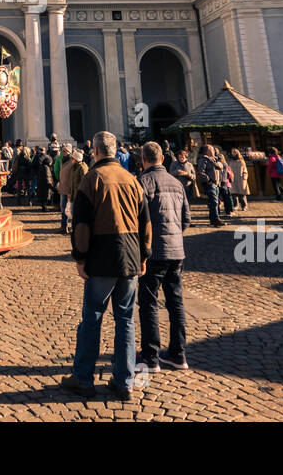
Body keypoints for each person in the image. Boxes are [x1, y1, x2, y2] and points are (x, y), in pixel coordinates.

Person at [61, 131, 151, 402]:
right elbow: (146, 223)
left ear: (96, 152)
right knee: (125, 320)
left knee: (92, 318)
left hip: (101, 257)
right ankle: (124, 382)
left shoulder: (92, 179)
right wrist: (145, 255)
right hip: (131, 258)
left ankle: (83, 378)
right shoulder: (132, 180)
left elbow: (81, 226)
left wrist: (80, 257)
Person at [136, 142, 191, 373]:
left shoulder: (142, 183)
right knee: (176, 303)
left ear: (143, 159)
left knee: (148, 303)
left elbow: (136, 220)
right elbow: (186, 219)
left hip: (153, 253)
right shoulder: (177, 183)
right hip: (177, 252)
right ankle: (178, 355)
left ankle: (151, 358)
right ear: (161, 158)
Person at [57, 145, 87, 235]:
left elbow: (81, 181)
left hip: (73, 191)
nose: (63, 152)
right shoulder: (69, 163)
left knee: (73, 211)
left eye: (65, 151)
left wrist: (71, 191)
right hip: (67, 189)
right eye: (63, 151)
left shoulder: (79, 167)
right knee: (65, 209)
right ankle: (65, 227)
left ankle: (75, 229)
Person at [195, 144, 223, 226]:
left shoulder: (214, 160)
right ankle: (215, 219)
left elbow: (221, 167)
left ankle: (215, 219)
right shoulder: (203, 159)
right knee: (213, 202)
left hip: (216, 184)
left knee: (216, 202)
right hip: (210, 184)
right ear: (207, 151)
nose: (214, 151)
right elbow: (200, 172)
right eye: (212, 149)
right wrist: (209, 180)